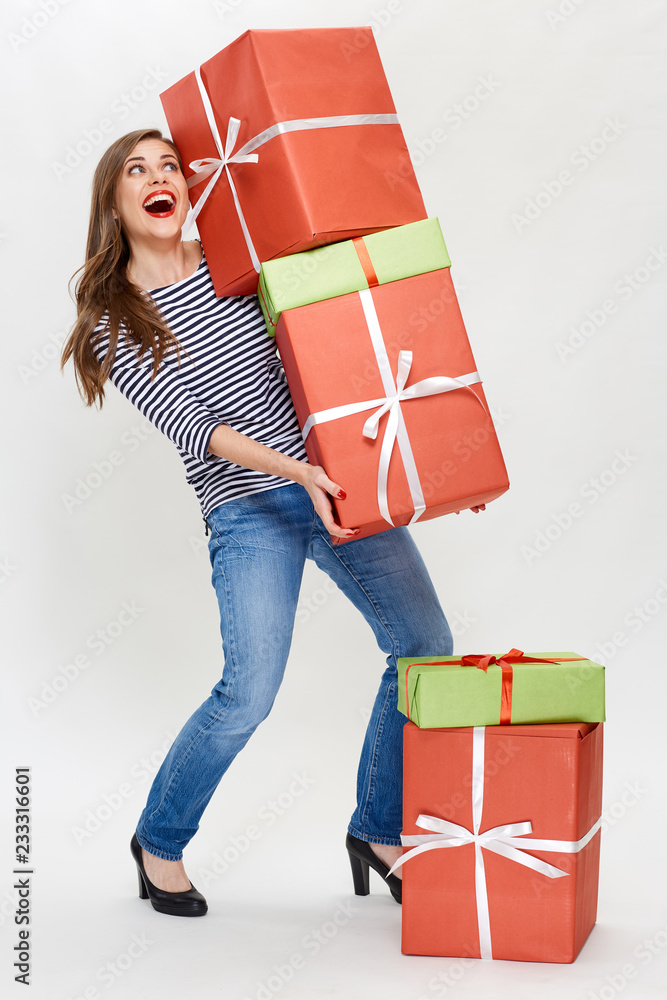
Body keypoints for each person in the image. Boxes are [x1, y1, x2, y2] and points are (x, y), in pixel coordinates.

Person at [62, 127, 482, 918]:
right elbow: (195, 428)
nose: (158, 177)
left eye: (169, 165)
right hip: (247, 507)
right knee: (248, 692)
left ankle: (377, 831)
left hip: (337, 481)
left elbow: (336, 345)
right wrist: (298, 474)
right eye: (136, 169)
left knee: (424, 646)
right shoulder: (111, 321)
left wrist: (435, 466)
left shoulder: (236, 261)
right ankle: (158, 841)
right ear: (114, 201)